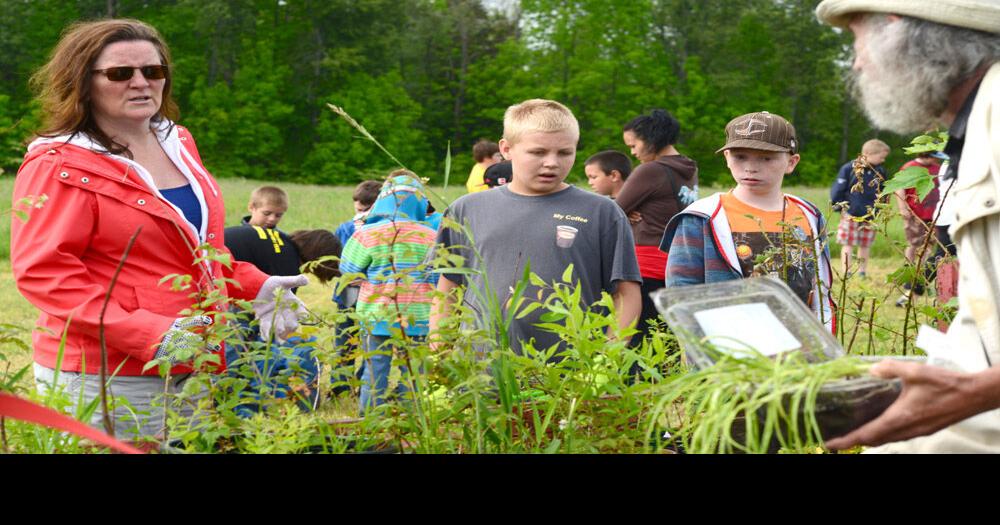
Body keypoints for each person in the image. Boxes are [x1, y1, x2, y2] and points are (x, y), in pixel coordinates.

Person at [10, 19, 307, 439]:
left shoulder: (177, 141)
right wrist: (151, 333)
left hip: (194, 358)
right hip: (107, 374)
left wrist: (255, 284)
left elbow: (192, 249)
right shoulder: (60, 163)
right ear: (82, 82)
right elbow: (46, 274)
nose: (141, 83)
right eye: (119, 73)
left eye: (153, 71)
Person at [815, 0, 1000, 452]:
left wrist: (977, 393)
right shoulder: (976, 124)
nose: (857, 62)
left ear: (896, 30)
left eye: (856, 41)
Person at [430, 99, 642, 359]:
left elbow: (626, 293)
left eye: (565, 153)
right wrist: (439, 352)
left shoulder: (602, 212)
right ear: (506, 149)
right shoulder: (465, 209)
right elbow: (448, 288)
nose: (552, 162)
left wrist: (607, 358)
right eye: (538, 152)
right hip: (481, 372)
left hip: (572, 375)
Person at [662, 111, 836, 331]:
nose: (751, 167)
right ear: (726, 157)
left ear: (791, 162)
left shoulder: (810, 215)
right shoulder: (702, 217)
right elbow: (681, 292)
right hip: (729, 351)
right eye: (740, 156)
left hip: (800, 351)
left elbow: (821, 290)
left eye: (766, 157)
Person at [339, 171, 439, 414]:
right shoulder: (430, 235)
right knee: (413, 371)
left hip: (377, 313)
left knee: (375, 368)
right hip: (419, 315)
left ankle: (371, 421)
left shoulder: (367, 233)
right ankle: (412, 419)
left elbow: (348, 268)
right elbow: (437, 278)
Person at [224, 219, 342, 415]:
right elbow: (280, 318)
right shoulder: (287, 264)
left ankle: (236, 397)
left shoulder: (280, 241)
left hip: (210, 261)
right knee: (244, 343)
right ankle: (241, 402)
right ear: (319, 258)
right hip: (221, 277)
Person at [619, 109, 699, 346]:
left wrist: (625, 210)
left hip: (646, 266)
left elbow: (613, 211)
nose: (632, 152)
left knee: (639, 341)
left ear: (651, 138)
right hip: (678, 262)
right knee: (666, 340)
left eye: (634, 145)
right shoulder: (688, 168)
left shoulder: (651, 170)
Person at [830, 139, 891, 278]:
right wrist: (839, 207)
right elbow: (838, 189)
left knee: (865, 244)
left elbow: (884, 191)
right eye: (881, 157)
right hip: (851, 214)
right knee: (848, 243)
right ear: (868, 153)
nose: (883, 160)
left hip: (870, 216)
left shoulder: (880, 171)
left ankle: (862, 271)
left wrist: (880, 209)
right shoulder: (849, 168)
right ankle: (847, 271)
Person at [892, 152, 943, 306]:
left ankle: (923, 274)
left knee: (930, 245)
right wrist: (903, 208)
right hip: (915, 213)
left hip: (933, 213)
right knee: (914, 243)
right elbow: (899, 188)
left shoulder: (937, 168)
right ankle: (909, 271)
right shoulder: (909, 167)